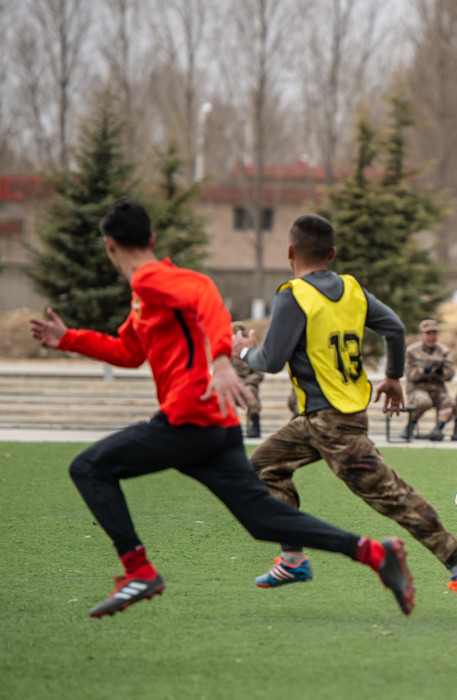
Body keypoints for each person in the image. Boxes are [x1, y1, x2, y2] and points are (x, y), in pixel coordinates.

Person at [29, 200, 414, 618]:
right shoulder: (147, 295)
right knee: (262, 520)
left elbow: (206, 295)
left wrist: (220, 360)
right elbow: (127, 351)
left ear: (108, 246)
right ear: (152, 239)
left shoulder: (151, 279)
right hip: (213, 426)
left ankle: (138, 570)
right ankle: (375, 553)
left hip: (189, 418)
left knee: (88, 468)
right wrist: (68, 338)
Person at [235, 214, 457, 621]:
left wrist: (242, 350)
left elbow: (271, 360)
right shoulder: (351, 288)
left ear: (289, 252)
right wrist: (393, 377)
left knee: (392, 498)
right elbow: (396, 329)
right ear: (332, 254)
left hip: (335, 425)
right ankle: (293, 558)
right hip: (320, 420)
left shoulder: (291, 294)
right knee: (264, 467)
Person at [404, 319, 455, 441]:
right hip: (418, 389)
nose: (431, 337)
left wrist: (441, 372)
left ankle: (438, 429)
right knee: (424, 402)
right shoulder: (412, 351)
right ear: (421, 335)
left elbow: (450, 374)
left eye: (434, 333)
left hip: (437, 389)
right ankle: (410, 426)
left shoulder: (444, 351)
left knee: (449, 402)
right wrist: (424, 371)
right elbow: (410, 375)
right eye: (428, 333)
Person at [230, 324, 265, 437]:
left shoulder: (252, 353)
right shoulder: (226, 353)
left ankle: (253, 425)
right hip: (233, 385)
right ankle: (231, 427)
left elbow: (258, 374)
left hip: (248, 385)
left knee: (251, 396)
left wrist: (247, 383)